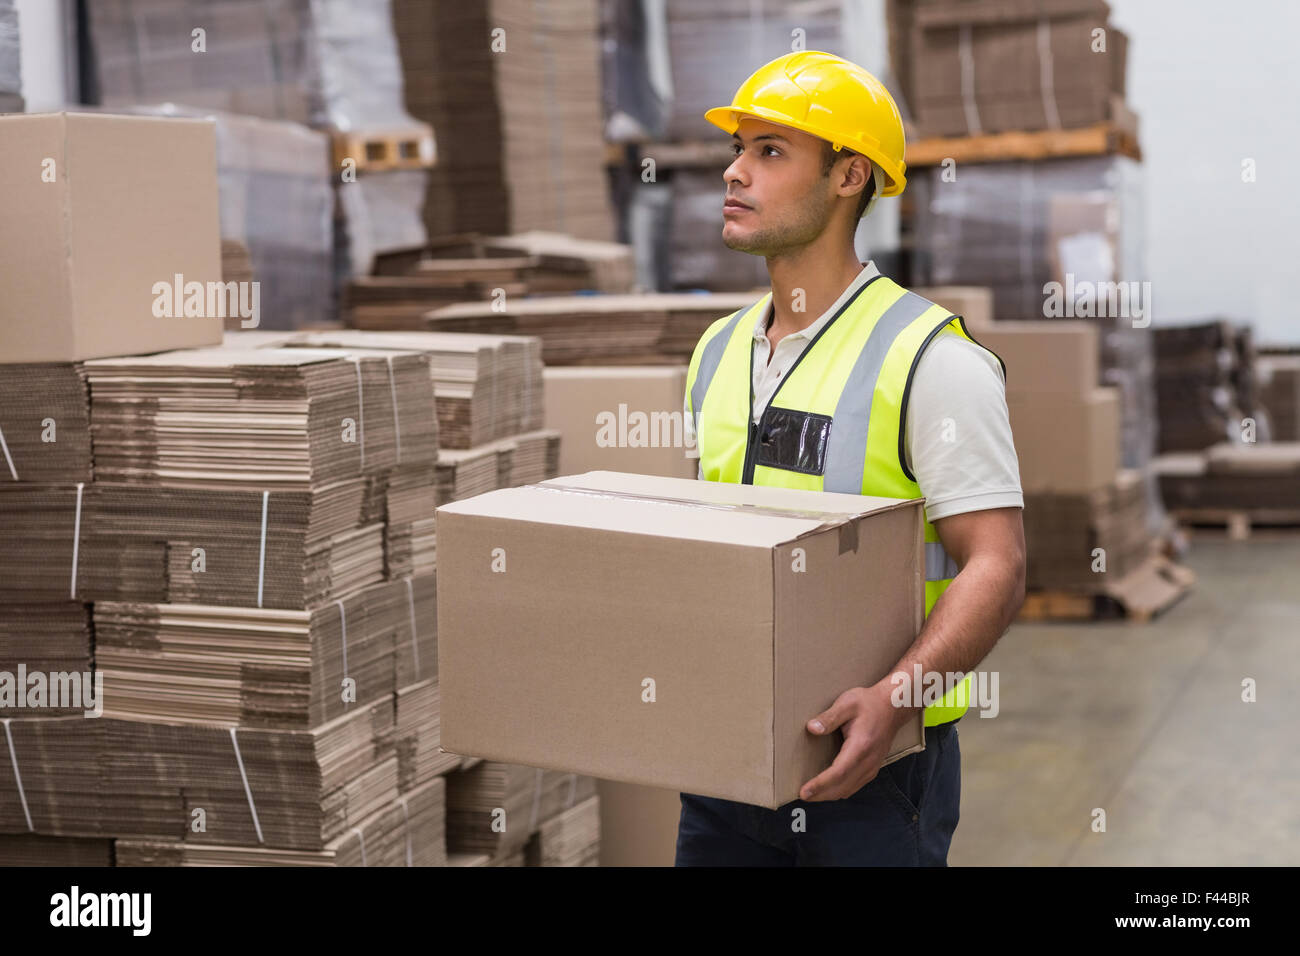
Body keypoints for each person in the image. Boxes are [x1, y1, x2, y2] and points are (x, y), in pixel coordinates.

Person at [676, 50, 1027, 866]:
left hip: (876, 772)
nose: (734, 172)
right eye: (739, 149)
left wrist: (898, 700)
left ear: (847, 177)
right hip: (724, 765)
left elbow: (996, 566)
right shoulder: (716, 352)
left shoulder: (931, 359)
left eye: (770, 152)